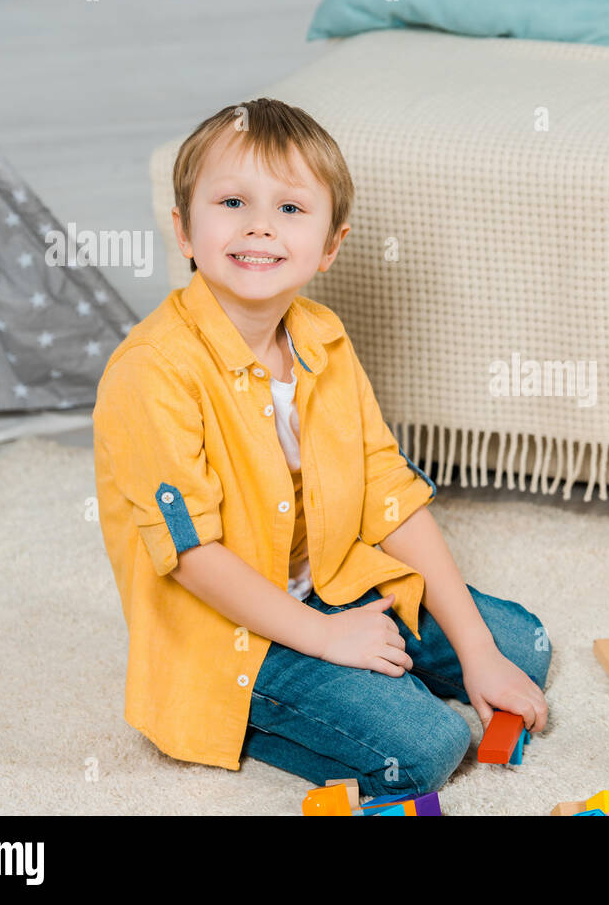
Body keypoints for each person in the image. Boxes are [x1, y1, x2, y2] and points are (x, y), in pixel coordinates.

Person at [92, 98, 549, 798]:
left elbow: (386, 492)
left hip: (331, 581)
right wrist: (324, 638)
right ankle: (250, 710)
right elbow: (192, 555)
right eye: (233, 201)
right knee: (427, 748)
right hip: (230, 631)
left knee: (521, 648)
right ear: (183, 229)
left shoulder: (321, 338)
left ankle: (366, 657)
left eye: (290, 210)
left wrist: (477, 650)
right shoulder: (152, 371)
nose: (259, 227)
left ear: (330, 246)